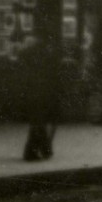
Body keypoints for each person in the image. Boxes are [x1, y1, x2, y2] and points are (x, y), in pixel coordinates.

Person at [18, 33, 64, 163]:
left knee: (38, 121)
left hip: (32, 93)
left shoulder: (25, 56)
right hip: (40, 93)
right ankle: (33, 151)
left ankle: (44, 149)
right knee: (39, 122)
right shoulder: (41, 57)